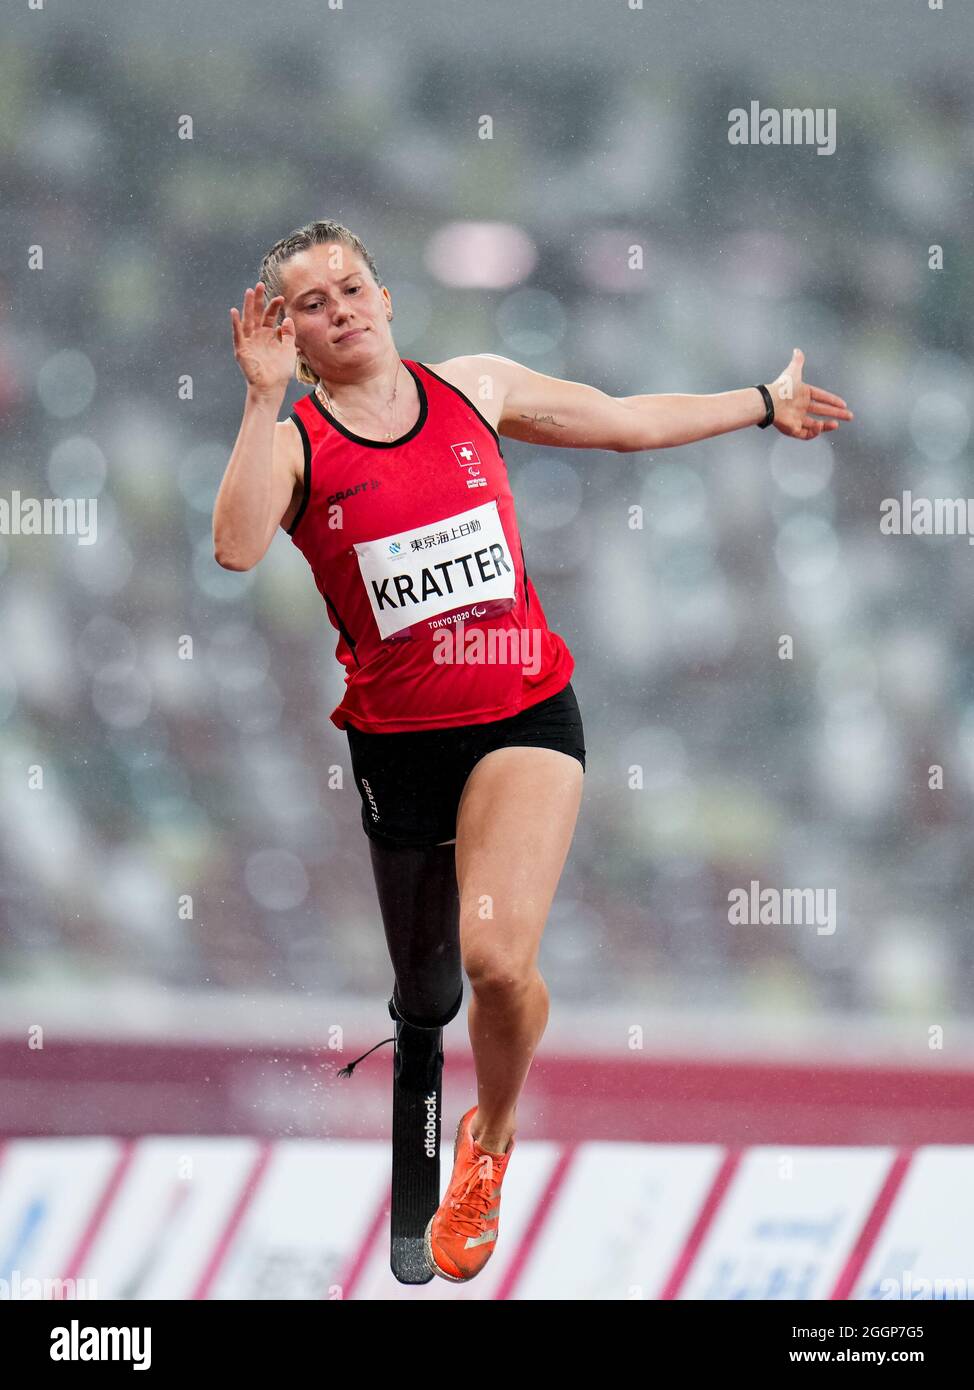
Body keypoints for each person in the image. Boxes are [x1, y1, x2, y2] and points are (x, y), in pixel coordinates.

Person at [212, 219, 853, 1283]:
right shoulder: (291, 444)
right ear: (290, 332)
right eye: (314, 303)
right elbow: (234, 546)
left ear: (386, 296)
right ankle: (420, 1050)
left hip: (523, 713)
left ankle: (490, 1141)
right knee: (424, 996)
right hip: (396, 746)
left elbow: (620, 423)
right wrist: (255, 396)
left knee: (495, 958)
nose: (342, 309)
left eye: (354, 286)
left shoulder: (473, 389)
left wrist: (757, 402)